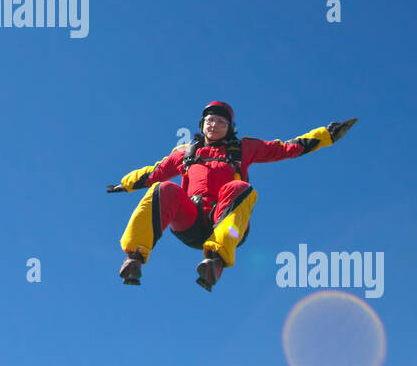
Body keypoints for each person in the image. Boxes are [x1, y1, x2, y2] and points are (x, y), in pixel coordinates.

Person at [108, 101, 356, 291]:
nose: (213, 126)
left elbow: (287, 148)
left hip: (227, 221)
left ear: (229, 128)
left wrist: (327, 135)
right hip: (192, 222)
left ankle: (215, 262)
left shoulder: (243, 148)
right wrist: (124, 184)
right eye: (209, 121)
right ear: (201, 125)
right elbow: (155, 172)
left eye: (220, 122)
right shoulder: (185, 153)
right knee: (164, 188)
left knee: (239, 188)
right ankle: (134, 259)